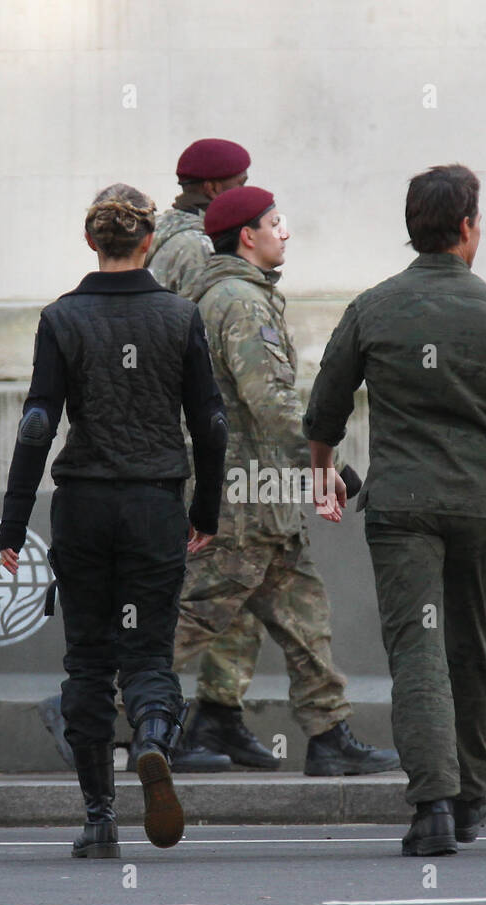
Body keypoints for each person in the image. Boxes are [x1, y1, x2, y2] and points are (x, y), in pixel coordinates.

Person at [304, 164, 486, 856]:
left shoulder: (372, 308)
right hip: (478, 507)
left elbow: (323, 411)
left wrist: (324, 476)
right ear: (469, 226)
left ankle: (434, 805)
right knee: (470, 647)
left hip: (402, 508)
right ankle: (473, 800)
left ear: (413, 229)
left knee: (418, 650)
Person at [0, 183, 228, 858]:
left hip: (85, 507)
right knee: (148, 652)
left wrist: (11, 527)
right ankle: (153, 737)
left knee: (89, 662)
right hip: (154, 503)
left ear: (91, 242)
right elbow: (210, 423)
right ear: (149, 240)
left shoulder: (62, 318)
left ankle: (99, 819)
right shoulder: (179, 316)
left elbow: (38, 423)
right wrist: (204, 510)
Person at [175, 185, 398, 777]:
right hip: (242, 502)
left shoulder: (229, 296)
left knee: (305, 618)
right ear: (248, 235)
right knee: (195, 616)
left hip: (261, 500)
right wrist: (327, 466)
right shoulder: (238, 302)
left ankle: (329, 736)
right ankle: (87, 703)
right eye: (276, 222)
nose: (286, 232)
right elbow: (272, 403)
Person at [144, 138, 268, 769]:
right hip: (209, 436)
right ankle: (117, 703)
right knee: (214, 580)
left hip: (198, 433)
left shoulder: (169, 239)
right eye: (242, 184)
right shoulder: (197, 248)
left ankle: (219, 715)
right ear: (219, 191)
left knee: (236, 579)